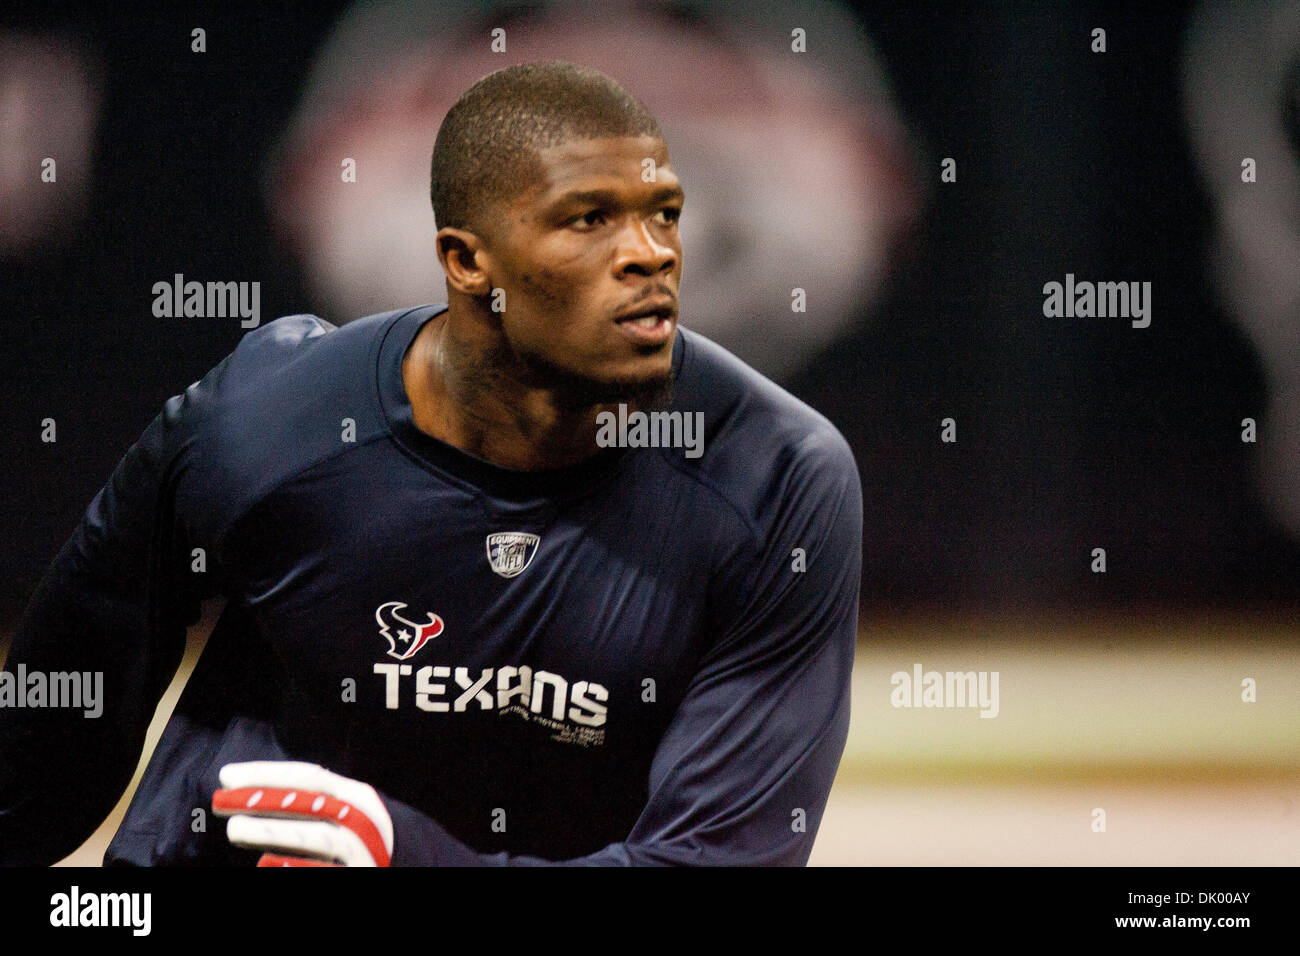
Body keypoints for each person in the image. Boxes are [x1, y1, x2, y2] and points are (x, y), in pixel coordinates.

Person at [0, 61, 861, 866]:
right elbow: (44, 750)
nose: (653, 253)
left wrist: (394, 847)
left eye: (664, 212)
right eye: (588, 219)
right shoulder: (264, 424)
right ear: (466, 261)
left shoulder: (777, 480)